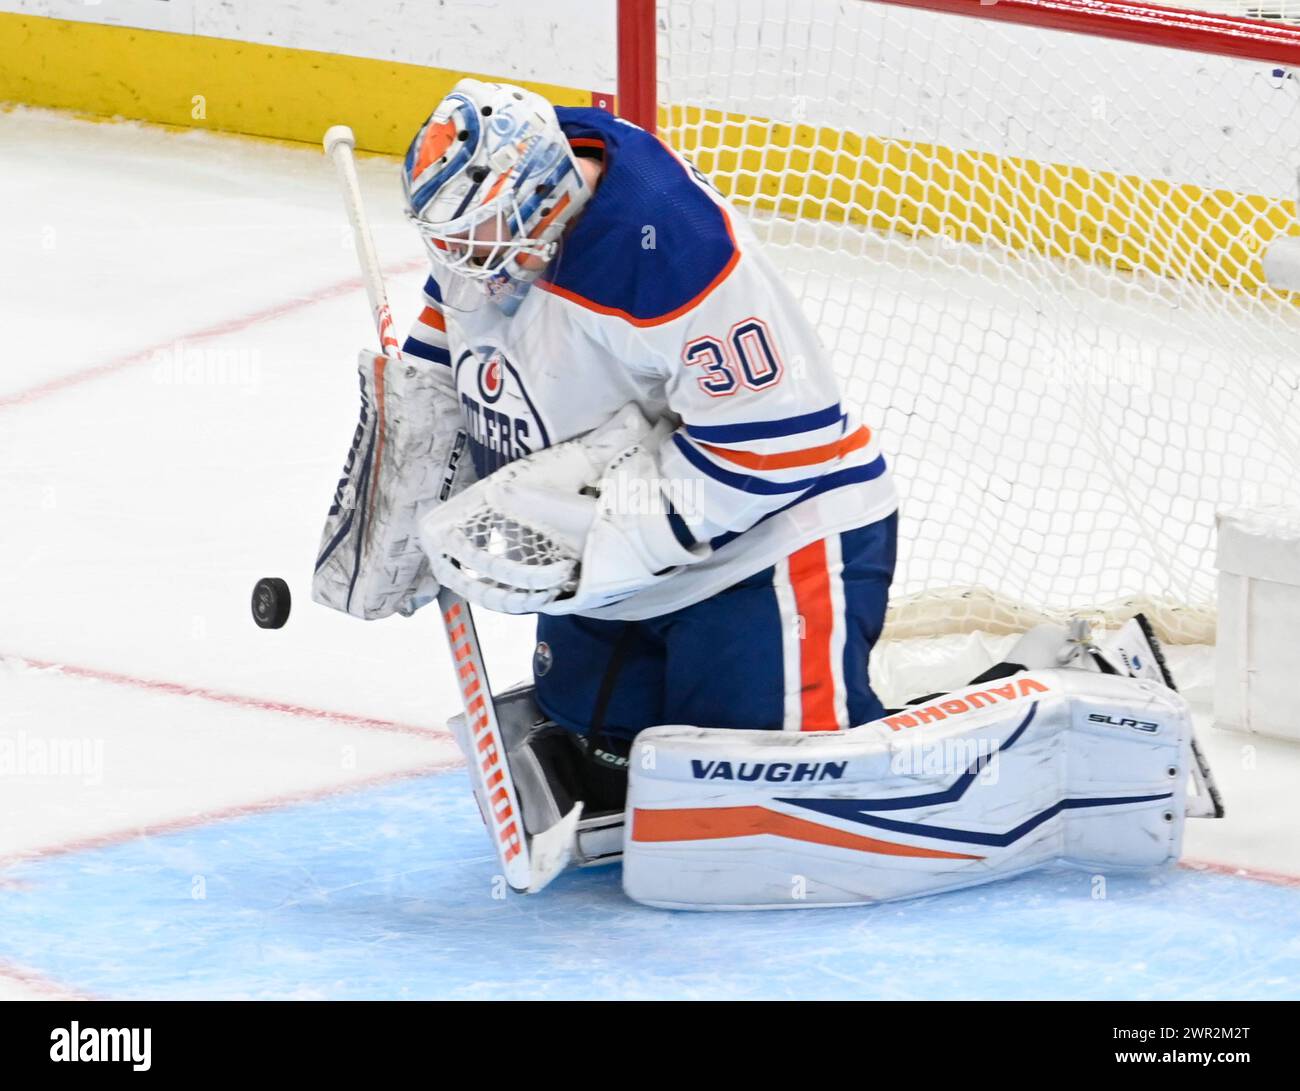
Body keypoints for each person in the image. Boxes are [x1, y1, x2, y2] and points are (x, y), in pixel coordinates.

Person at [314, 77, 898, 813]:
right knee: (599, 769)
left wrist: (583, 544)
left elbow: (776, 452)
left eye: (475, 240)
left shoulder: (671, 246)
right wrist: (407, 474)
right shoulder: (488, 222)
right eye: (445, 243)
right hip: (621, 561)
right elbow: (448, 360)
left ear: (544, 200)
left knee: (764, 798)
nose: (459, 261)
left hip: (767, 546)